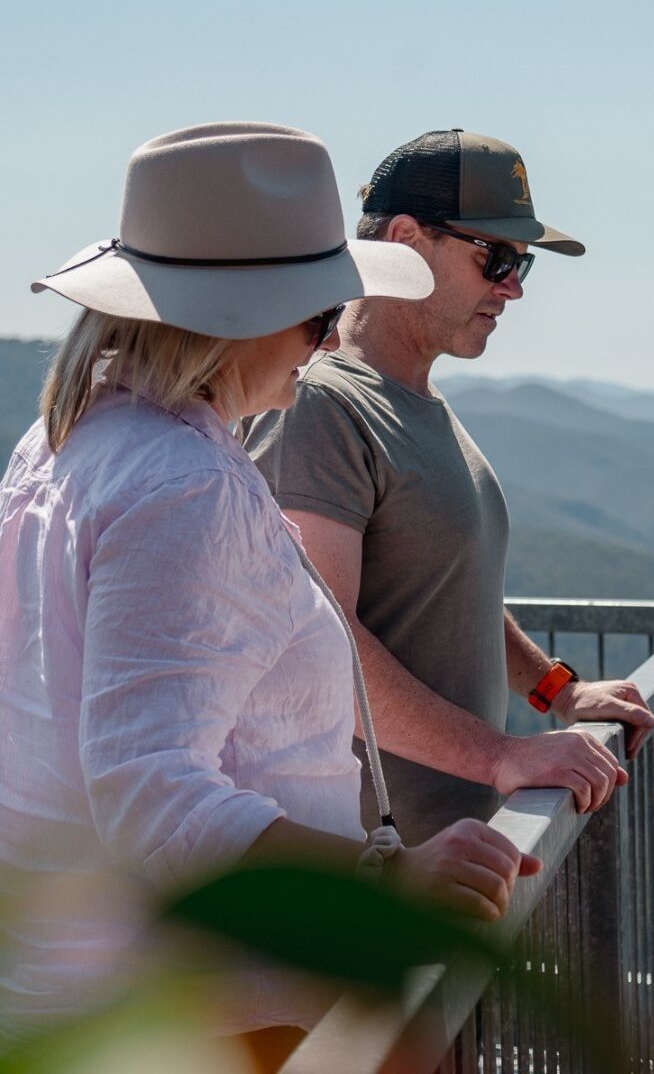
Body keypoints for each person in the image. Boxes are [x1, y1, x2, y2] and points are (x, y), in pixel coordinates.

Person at [0, 123, 541, 1055]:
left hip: (76, 984)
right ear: (230, 318)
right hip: (206, 1009)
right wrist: (389, 875)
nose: (326, 342)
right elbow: (153, 788)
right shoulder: (183, 484)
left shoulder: (60, 446)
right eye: (316, 316)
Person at [246, 130, 654, 844]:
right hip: (380, 872)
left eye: (521, 262)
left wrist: (556, 692)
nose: (514, 285)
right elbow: (320, 642)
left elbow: (445, 589)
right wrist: (501, 755)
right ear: (404, 240)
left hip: (453, 859)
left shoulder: (414, 400)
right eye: (494, 257)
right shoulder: (319, 405)